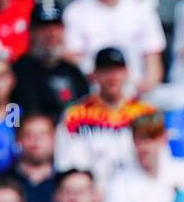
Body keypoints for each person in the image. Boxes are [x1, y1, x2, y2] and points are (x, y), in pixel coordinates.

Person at [62, 0, 166, 94]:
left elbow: (153, 62)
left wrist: (145, 86)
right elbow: (73, 58)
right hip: (93, 92)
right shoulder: (75, 11)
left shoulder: (142, 8)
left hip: (137, 91)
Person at [54, 46, 154, 183]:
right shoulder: (75, 114)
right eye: (106, 71)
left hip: (136, 189)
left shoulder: (145, 112)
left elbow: (157, 157)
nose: (112, 77)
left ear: (127, 73)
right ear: (94, 75)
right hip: (90, 192)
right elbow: (66, 161)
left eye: (117, 70)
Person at [13, 0, 90, 119]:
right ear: (32, 31)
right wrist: (14, 133)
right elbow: (11, 115)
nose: (52, 33)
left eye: (56, 26)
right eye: (45, 27)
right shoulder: (16, 72)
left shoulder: (73, 72)